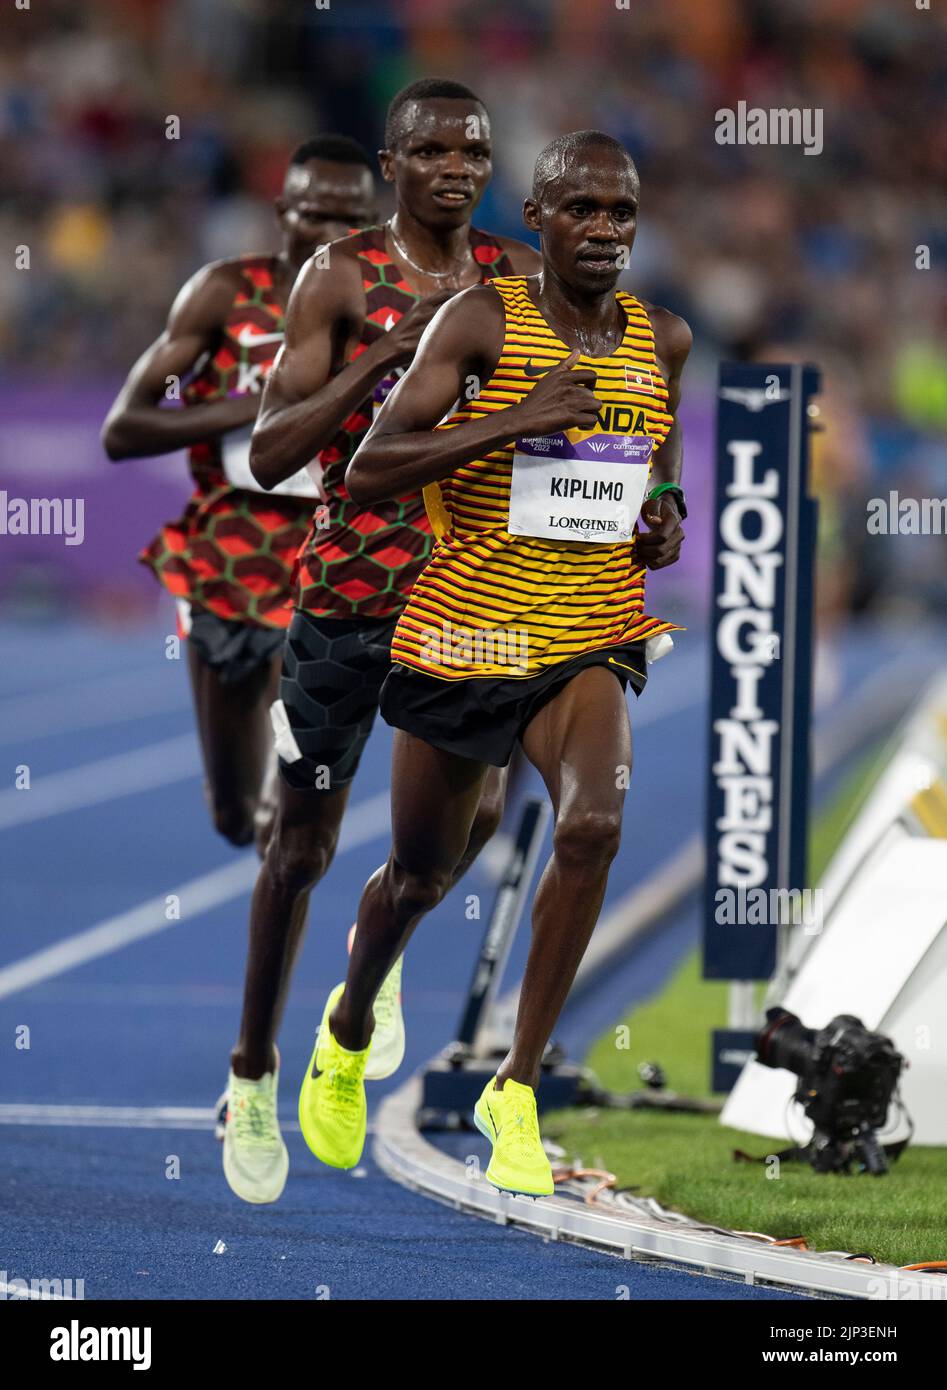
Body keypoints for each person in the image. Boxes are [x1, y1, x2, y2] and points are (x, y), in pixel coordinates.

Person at [299, 130, 692, 1198]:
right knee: (422, 873)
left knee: (591, 824)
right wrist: (516, 418)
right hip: (462, 636)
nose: (605, 230)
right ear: (538, 216)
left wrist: (663, 516)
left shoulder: (664, 338)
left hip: (586, 629)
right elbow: (370, 470)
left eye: (621, 212)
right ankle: (344, 1025)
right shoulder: (480, 320)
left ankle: (512, 1087)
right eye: (582, 210)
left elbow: (655, 468)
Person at [222, 79, 542, 1204]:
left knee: (470, 826)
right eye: (433, 149)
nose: (457, 165)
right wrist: (382, 359)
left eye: (475, 150)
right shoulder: (342, 276)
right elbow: (267, 455)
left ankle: (366, 972)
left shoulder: (522, 278)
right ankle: (253, 1070)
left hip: (467, 595)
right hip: (350, 595)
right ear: (392, 160)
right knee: (298, 845)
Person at [101, 137, 376, 853]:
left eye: (352, 221)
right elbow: (123, 430)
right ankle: (246, 811)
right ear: (283, 211)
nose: (332, 235)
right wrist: (259, 407)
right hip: (230, 551)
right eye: (316, 215)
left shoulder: (389, 307)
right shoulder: (226, 292)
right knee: (233, 814)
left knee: (295, 806)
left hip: (334, 550)